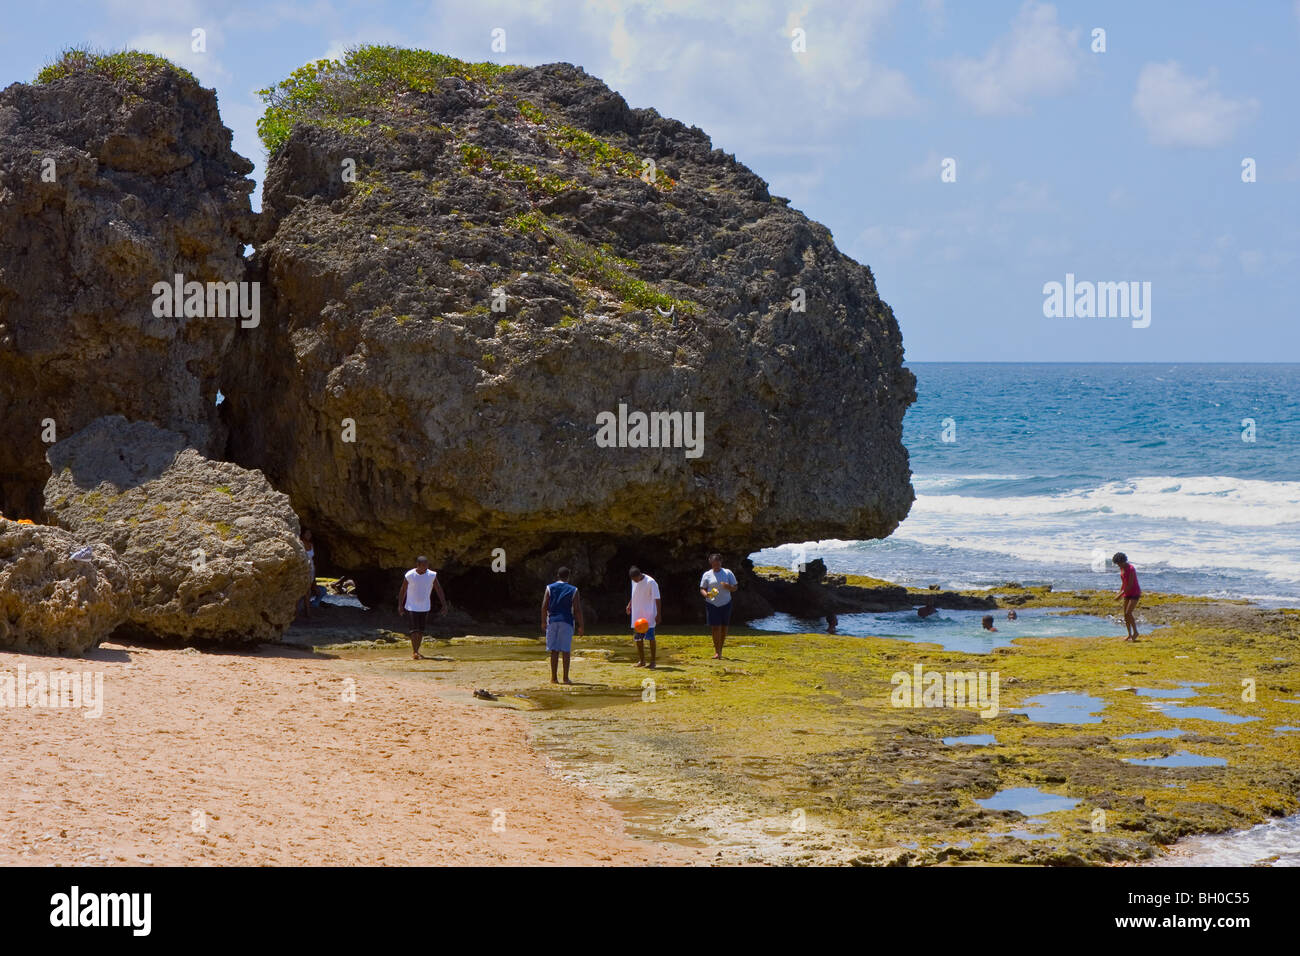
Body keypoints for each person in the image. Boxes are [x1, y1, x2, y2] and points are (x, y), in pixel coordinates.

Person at [397, 556, 448, 660]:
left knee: (420, 631)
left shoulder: (432, 575)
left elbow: (438, 589)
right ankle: (415, 651)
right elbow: (403, 590)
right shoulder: (410, 575)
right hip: (411, 606)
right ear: (418, 565)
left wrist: (444, 604)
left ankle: (417, 651)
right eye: (423, 565)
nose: (425, 567)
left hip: (424, 607)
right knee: (413, 630)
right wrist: (400, 605)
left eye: (427, 565)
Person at [541, 567, 584, 684]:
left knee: (554, 650)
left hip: (552, 620)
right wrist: (581, 626)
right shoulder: (573, 589)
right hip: (566, 621)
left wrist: (543, 621)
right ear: (568, 576)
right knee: (565, 650)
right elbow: (577, 609)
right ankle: (565, 678)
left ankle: (554, 678)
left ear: (557, 576)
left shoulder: (549, 588)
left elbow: (544, 605)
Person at [699, 552, 738, 659]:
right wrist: (706, 594)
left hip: (726, 603)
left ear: (721, 562)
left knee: (724, 627)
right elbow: (702, 588)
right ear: (710, 563)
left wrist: (728, 587)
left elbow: (735, 587)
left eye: (718, 563)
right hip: (712, 603)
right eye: (714, 564)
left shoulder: (728, 573)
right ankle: (717, 651)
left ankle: (720, 649)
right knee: (715, 627)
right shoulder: (707, 574)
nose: (716, 566)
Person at [626, 566, 662, 669]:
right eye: (632, 580)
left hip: (649, 614)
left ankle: (653, 661)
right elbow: (634, 594)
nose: (634, 581)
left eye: (635, 579)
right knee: (638, 639)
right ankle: (642, 661)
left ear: (639, 575)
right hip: (637, 615)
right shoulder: (634, 581)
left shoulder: (651, 582)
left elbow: (657, 598)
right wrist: (629, 604)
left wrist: (658, 614)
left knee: (650, 638)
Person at [1114, 551, 1141, 642]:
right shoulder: (1122, 568)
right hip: (1126, 592)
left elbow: (1129, 585)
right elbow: (1124, 583)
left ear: (1123, 561)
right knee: (1125, 615)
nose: (1118, 565)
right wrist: (1119, 592)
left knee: (1129, 612)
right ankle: (1129, 634)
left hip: (1134, 592)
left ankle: (1135, 632)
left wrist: (1120, 596)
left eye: (1119, 563)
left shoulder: (1131, 569)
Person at [297, 528, 316, 619]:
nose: (309, 535)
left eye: (310, 533)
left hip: (311, 569)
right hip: (303, 569)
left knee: (308, 592)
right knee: (300, 591)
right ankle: (296, 612)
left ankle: (307, 612)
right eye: (307, 533)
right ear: (303, 534)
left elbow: (312, 558)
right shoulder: (300, 543)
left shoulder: (311, 544)